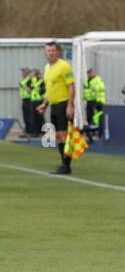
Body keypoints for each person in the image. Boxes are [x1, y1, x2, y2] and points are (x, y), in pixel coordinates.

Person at [37, 42, 75, 175]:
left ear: (57, 52)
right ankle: (64, 163)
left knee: (64, 135)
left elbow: (70, 86)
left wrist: (70, 105)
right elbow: (50, 89)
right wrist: (45, 104)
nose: (50, 53)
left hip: (63, 104)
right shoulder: (47, 67)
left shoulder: (64, 66)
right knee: (58, 135)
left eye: (53, 50)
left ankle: (66, 165)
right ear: (45, 52)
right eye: (48, 51)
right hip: (54, 105)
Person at [83, 68, 106, 140]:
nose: (89, 74)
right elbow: (86, 91)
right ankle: (90, 135)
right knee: (89, 118)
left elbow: (102, 87)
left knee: (97, 118)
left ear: (94, 73)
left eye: (90, 73)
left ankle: (99, 134)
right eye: (88, 73)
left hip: (97, 101)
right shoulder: (86, 81)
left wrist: (94, 87)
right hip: (89, 101)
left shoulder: (98, 79)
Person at [19, 68, 42, 137]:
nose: (22, 73)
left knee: (31, 116)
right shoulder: (23, 80)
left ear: (27, 73)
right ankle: (28, 130)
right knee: (26, 116)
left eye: (24, 71)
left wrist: (25, 85)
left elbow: (30, 89)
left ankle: (32, 131)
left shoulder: (29, 79)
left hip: (29, 99)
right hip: (24, 99)